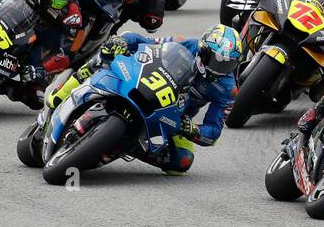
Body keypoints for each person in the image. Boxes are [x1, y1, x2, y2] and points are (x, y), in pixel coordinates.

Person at [48, 26, 242, 175]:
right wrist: (122, 40)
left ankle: (126, 145)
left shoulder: (228, 89)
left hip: (173, 117)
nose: (220, 68)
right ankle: (64, 91)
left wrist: (194, 130)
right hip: (143, 85)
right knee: (105, 54)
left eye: (228, 64)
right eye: (217, 61)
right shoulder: (186, 44)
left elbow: (214, 132)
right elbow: (142, 40)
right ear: (204, 50)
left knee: (182, 162)